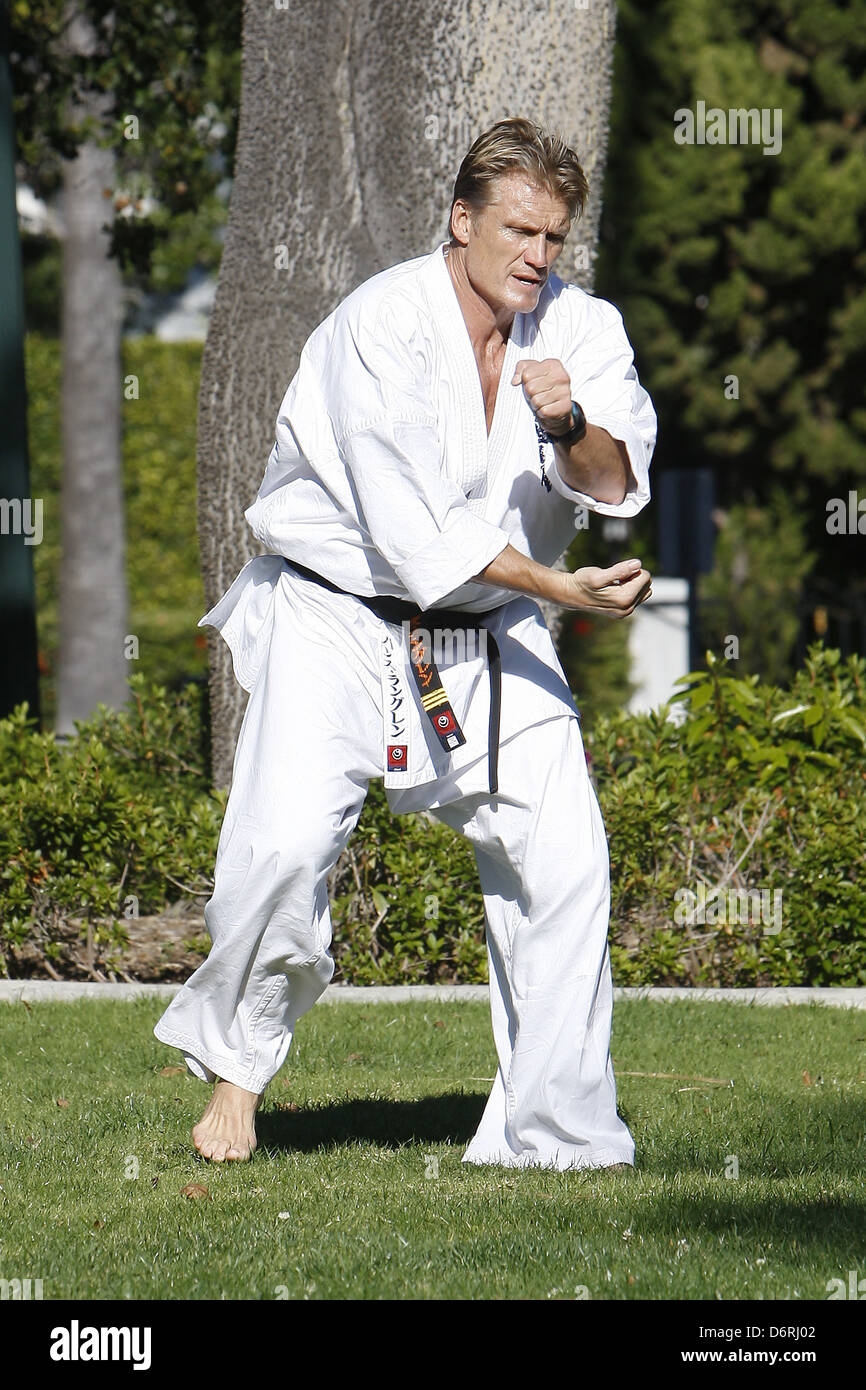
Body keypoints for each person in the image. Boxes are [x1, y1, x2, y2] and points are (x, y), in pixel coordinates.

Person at [153, 115, 656, 1168]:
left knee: (562, 862)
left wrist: (566, 426)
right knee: (285, 847)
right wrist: (558, 584)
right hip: (336, 605)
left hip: (490, 625)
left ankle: (551, 1133)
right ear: (461, 218)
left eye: (552, 237)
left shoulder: (582, 331)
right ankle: (240, 1072)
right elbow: (414, 534)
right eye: (516, 228)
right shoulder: (377, 324)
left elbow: (611, 484)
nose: (534, 254)